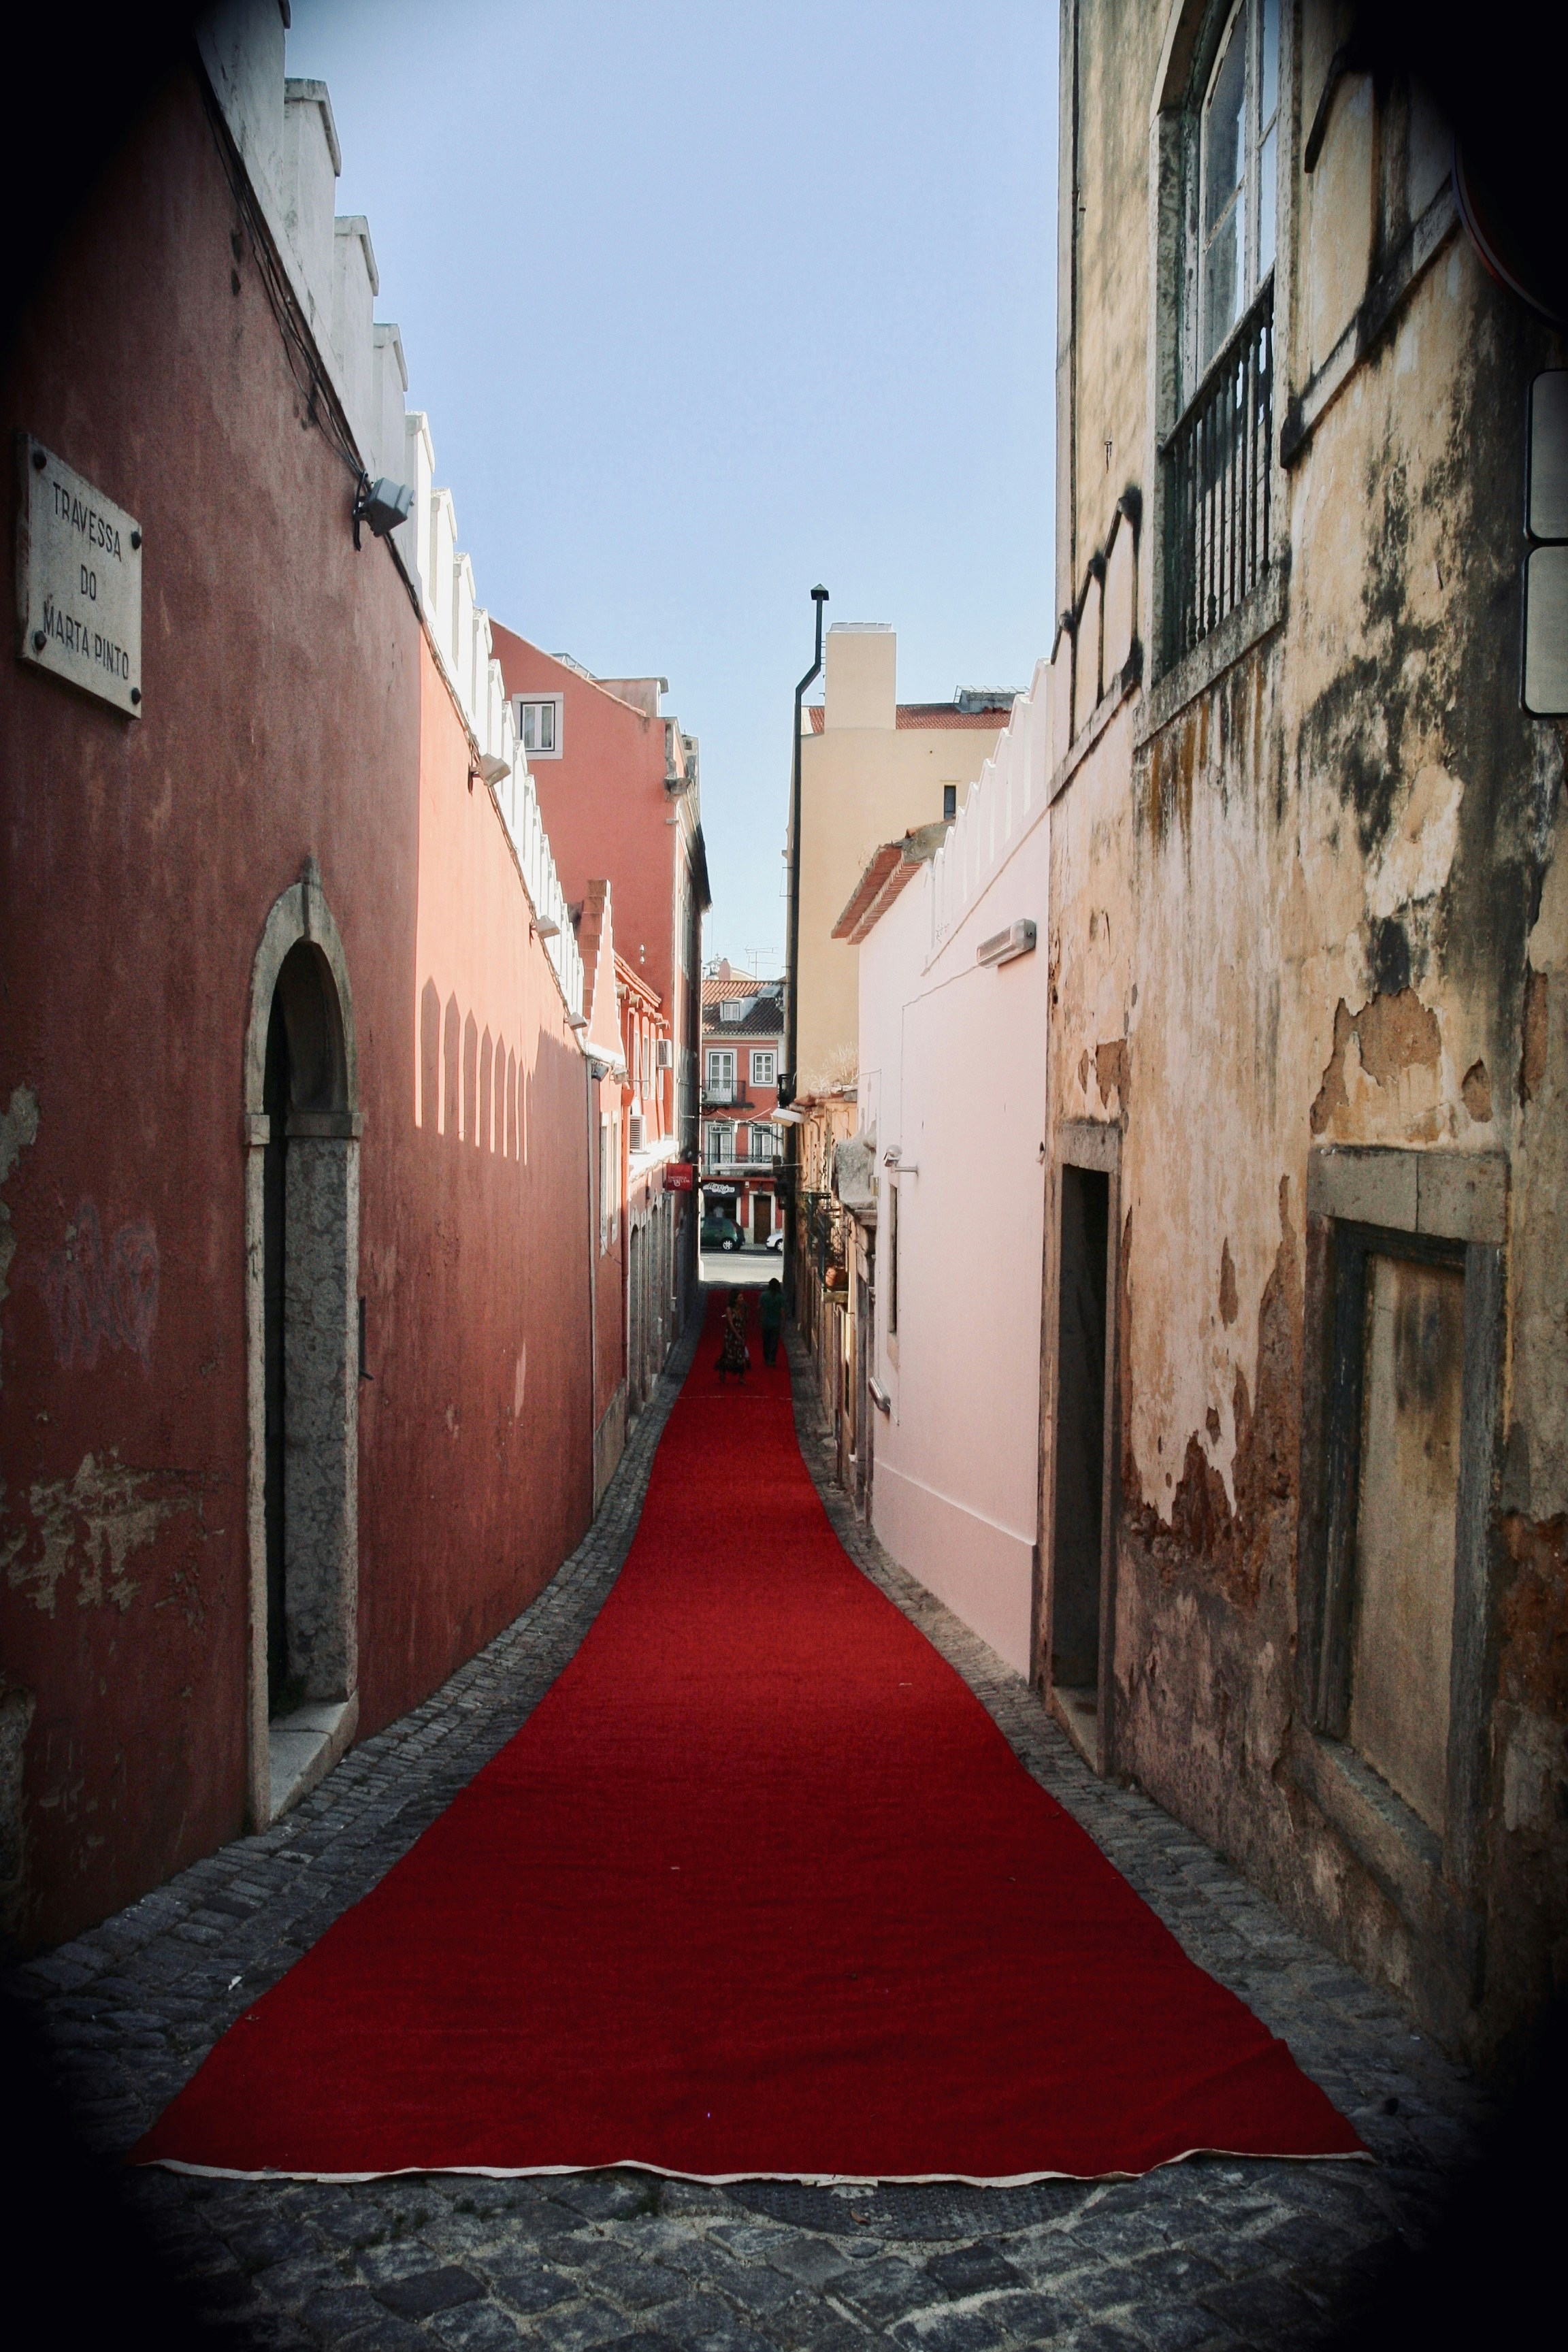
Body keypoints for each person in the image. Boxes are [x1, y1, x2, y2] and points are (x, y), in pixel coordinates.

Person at [715, 1287, 749, 1384]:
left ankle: (741, 1377)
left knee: (741, 1355)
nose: (742, 1300)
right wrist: (737, 1335)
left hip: (741, 1333)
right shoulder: (729, 1310)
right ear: (735, 1299)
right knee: (729, 1354)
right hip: (731, 1336)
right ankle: (723, 1370)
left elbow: (745, 1321)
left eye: (742, 1298)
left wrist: (743, 1334)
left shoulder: (743, 1309)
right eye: (740, 1298)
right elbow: (730, 1323)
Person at [760, 1277, 783, 1369]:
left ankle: (766, 1358)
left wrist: (759, 1318)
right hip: (776, 1323)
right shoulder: (780, 1297)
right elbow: (782, 1312)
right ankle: (772, 1359)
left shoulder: (763, 1295)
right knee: (774, 1342)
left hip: (766, 1322)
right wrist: (784, 1322)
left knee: (766, 1341)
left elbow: (759, 1308)